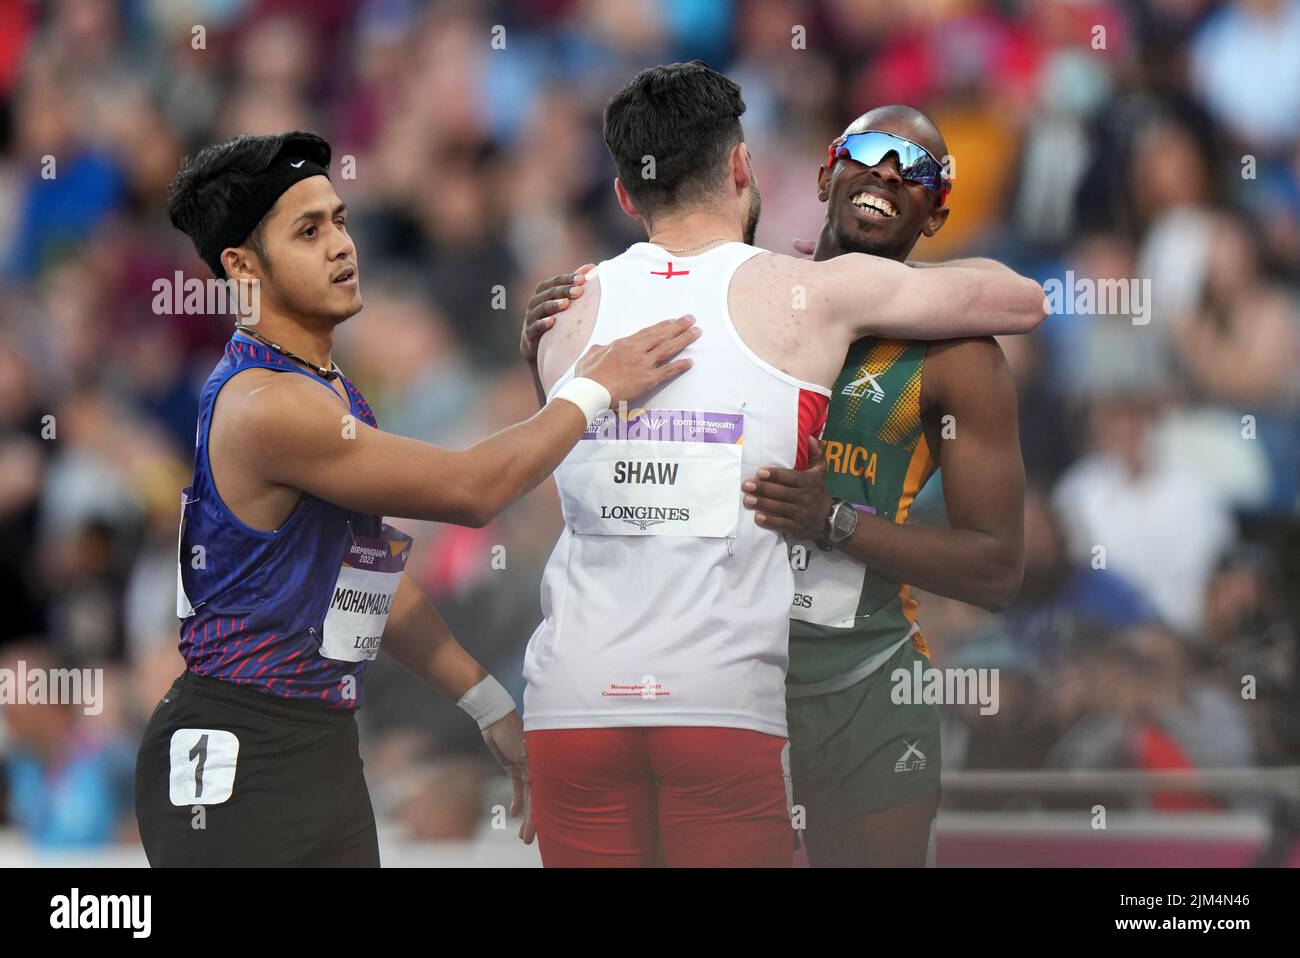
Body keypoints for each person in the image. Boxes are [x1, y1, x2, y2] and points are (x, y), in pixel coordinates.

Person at [519, 66, 1044, 867]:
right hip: (708, 690)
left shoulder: (956, 358)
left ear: (939, 212)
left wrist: (836, 523)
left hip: (857, 693)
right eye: (872, 148)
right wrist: (546, 353)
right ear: (825, 171)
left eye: (919, 169)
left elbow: (997, 570)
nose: (890, 171)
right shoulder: (743, 297)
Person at [133, 129, 701, 866]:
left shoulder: (325, 392)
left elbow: (364, 583)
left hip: (320, 747)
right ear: (243, 267)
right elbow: (471, 490)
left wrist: (487, 706)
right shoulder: (266, 405)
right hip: (236, 756)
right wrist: (593, 386)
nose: (342, 244)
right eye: (309, 230)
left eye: (339, 220)